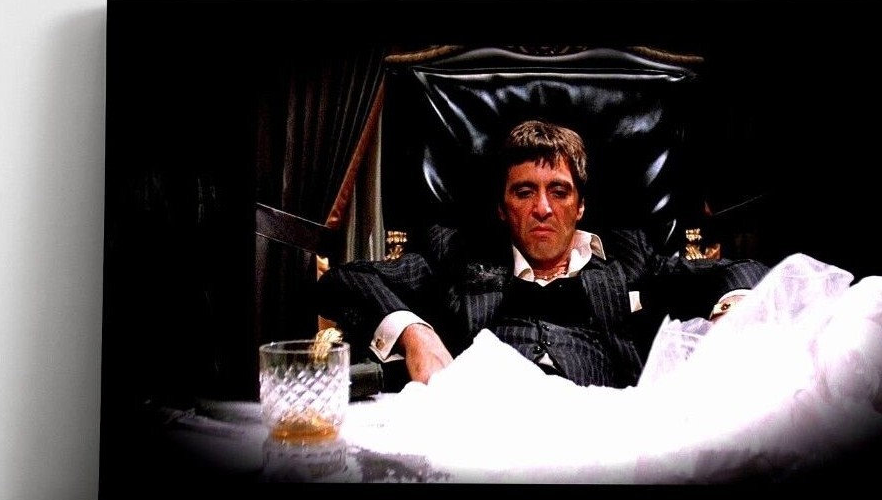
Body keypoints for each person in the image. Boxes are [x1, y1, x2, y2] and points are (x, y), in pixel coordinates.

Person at [316, 119, 771, 389]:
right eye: (524, 192)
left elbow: (744, 270)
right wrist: (415, 334)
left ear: (581, 205)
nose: (542, 209)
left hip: (603, 433)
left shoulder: (628, 259)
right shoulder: (458, 256)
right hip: (478, 430)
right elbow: (344, 281)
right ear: (502, 207)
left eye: (559, 191)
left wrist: (731, 316)